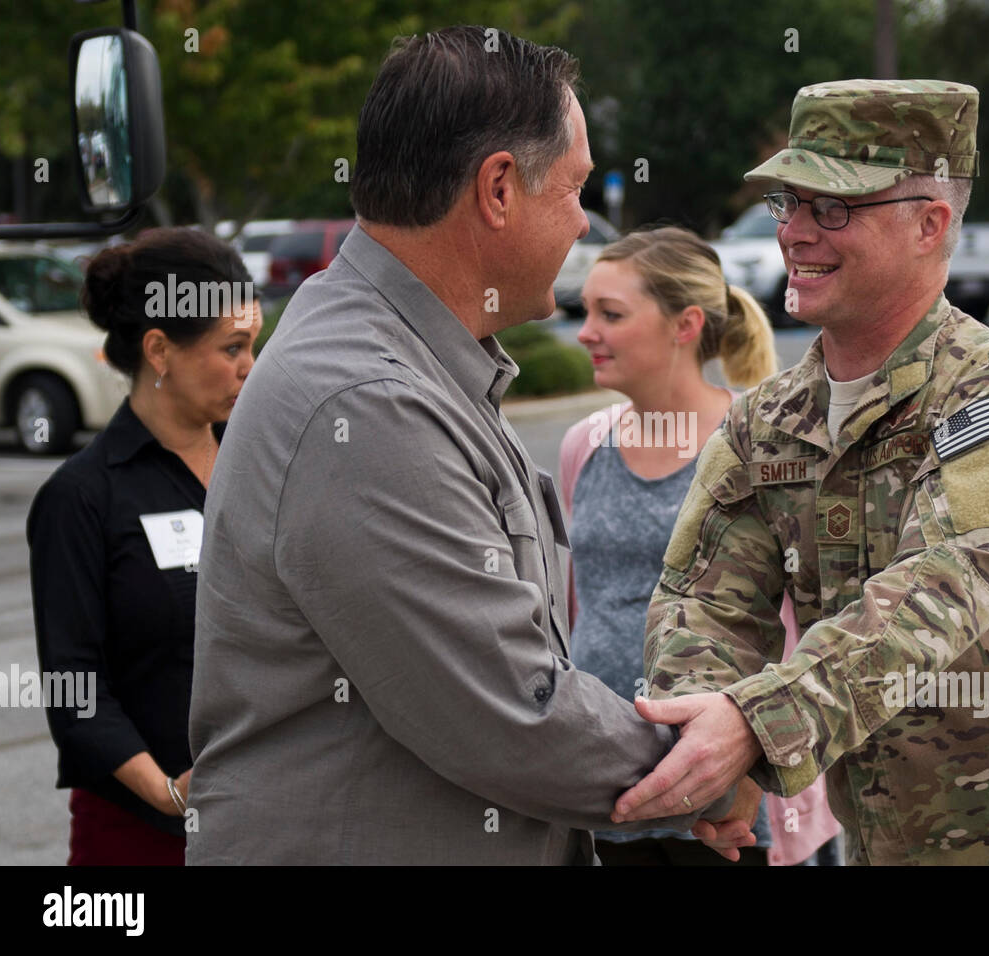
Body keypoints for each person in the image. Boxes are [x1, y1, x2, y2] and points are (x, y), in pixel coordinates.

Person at [611, 79, 989, 866]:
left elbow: (943, 586)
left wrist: (757, 726)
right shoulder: (766, 422)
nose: (796, 235)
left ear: (931, 224)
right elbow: (701, 601)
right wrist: (709, 747)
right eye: (790, 202)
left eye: (835, 209)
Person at [185, 26, 734, 866]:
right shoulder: (369, 405)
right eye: (576, 188)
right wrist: (715, 763)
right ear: (501, 189)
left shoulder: (412, 362)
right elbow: (511, 715)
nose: (585, 222)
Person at [560, 226, 793, 865]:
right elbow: (581, 609)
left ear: (684, 324)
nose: (585, 332)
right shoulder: (584, 444)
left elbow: (803, 625)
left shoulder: (759, 444)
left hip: (725, 811)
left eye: (611, 313)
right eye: (586, 312)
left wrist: (754, 765)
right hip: (604, 795)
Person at [27, 227, 260, 865]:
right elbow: (75, 686)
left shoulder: (264, 465)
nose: (249, 367)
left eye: (253, 346)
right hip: (139, 835)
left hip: (268, 821)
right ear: (160, 350)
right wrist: (165, 793)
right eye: (231, 348)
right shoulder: (81, 498)